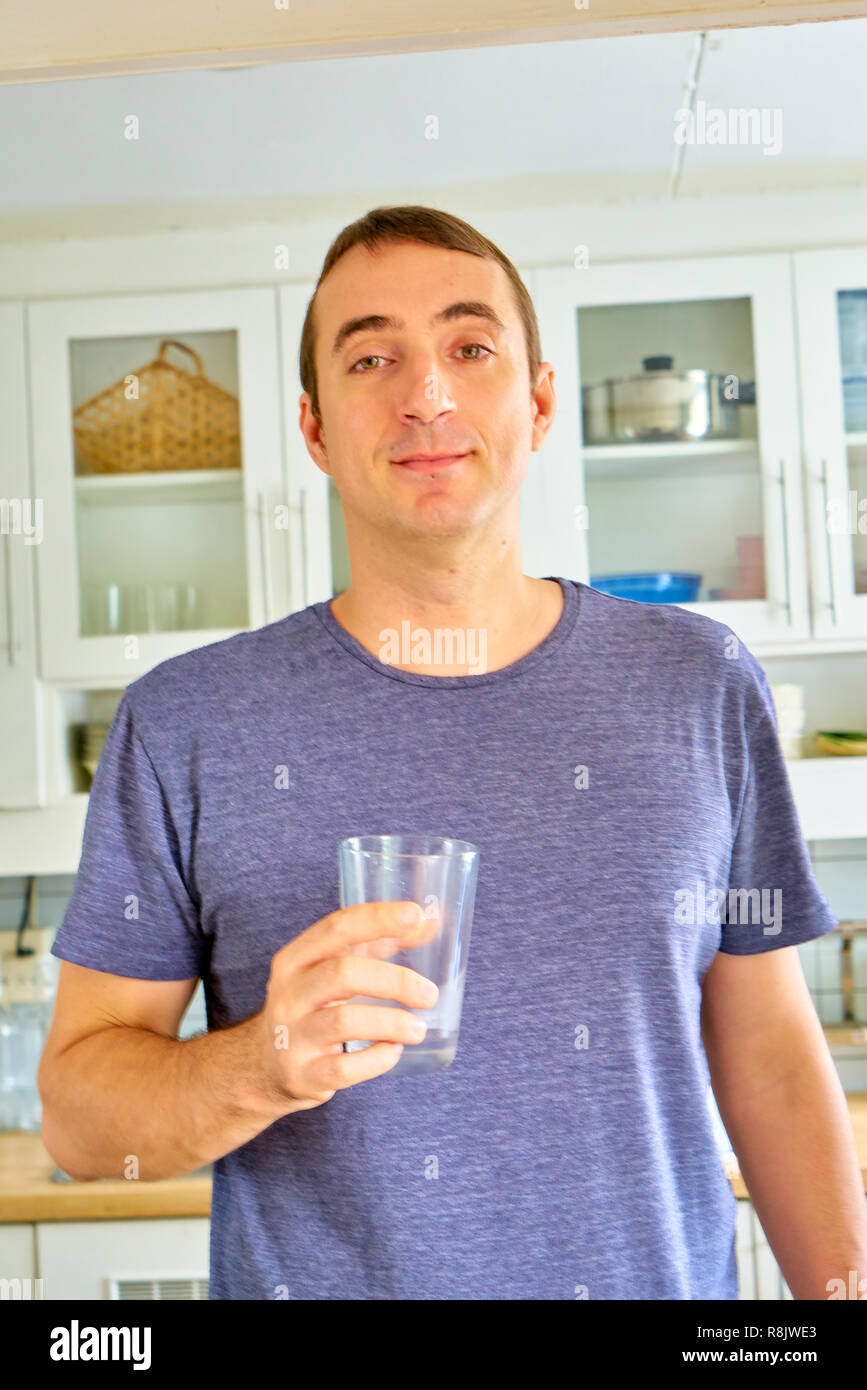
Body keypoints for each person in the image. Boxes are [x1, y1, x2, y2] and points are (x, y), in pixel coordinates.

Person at [40, 206, 867, 1300]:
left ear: (536, 400)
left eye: (470, 348)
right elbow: (82, 1120)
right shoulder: (187, 723)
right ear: (317, 430)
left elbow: (766, 1051)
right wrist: (259, 1063)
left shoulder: (698, 683)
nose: (425, 393)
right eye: (373, 357)